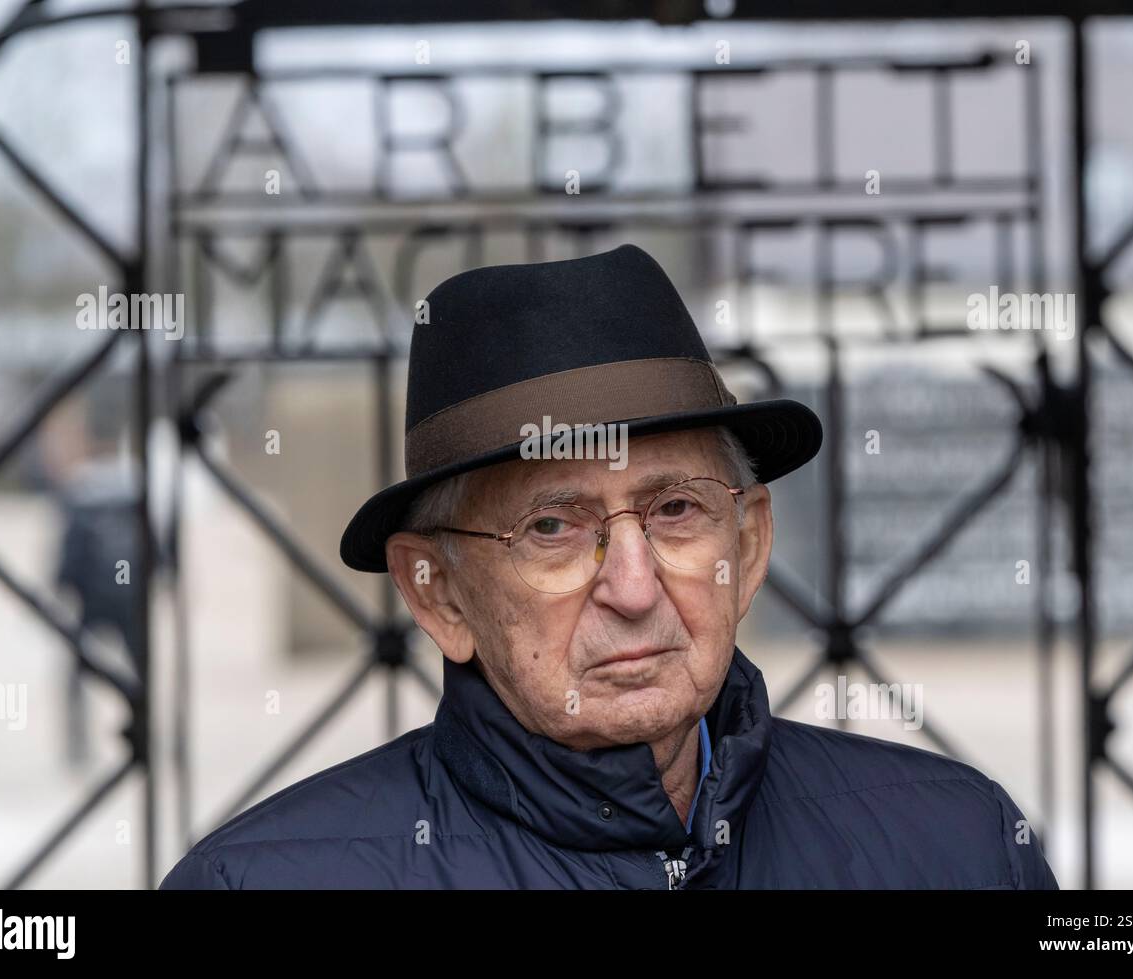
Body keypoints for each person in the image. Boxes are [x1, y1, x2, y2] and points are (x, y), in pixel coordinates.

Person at [160, 243, 1058, 889]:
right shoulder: (256, 882)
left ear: (744, 548)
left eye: (676, 510)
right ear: (437, 593)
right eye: (553, 526)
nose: (633, 588)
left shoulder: (960, 847)